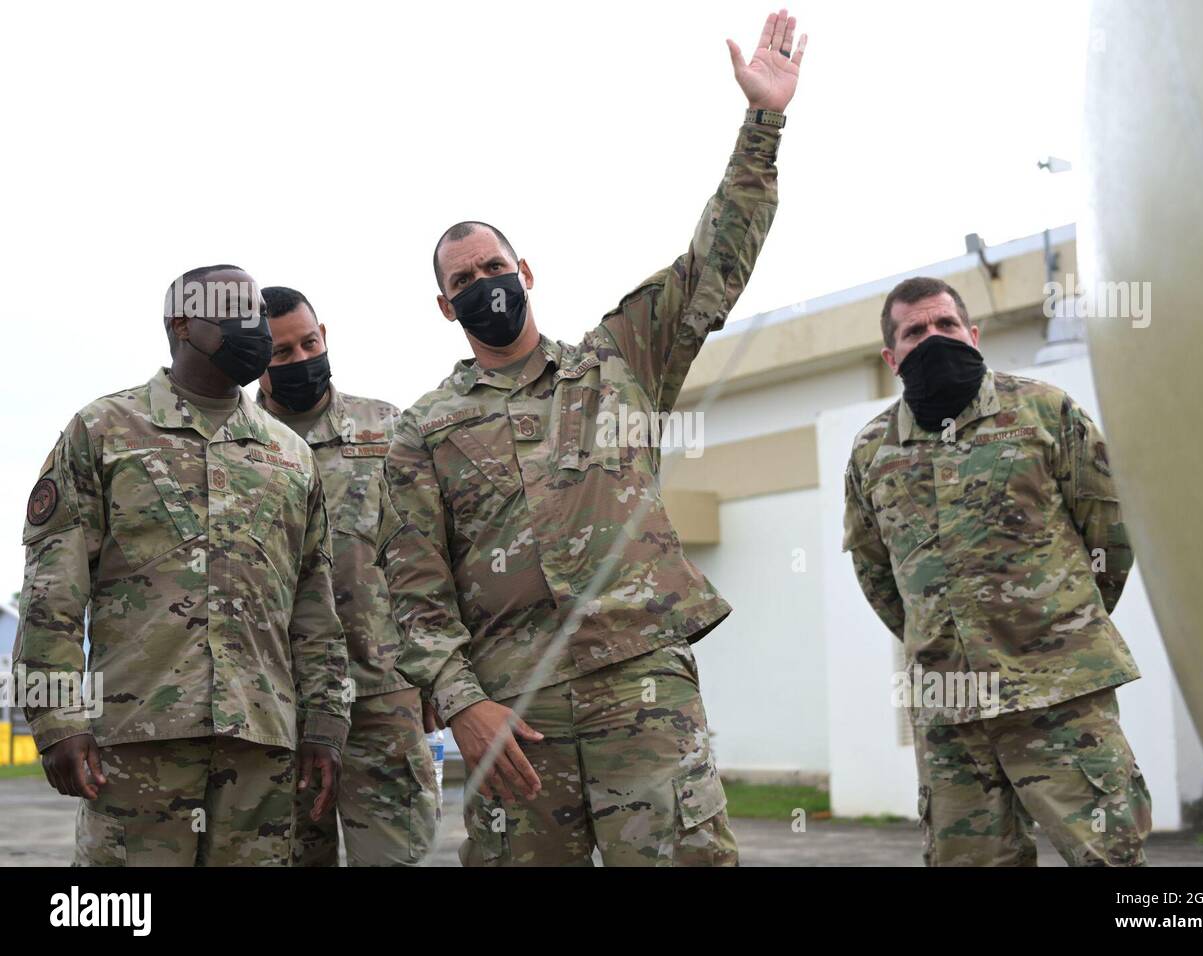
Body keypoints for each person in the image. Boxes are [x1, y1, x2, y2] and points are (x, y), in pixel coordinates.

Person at [382, 9, 807, 866]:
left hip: (642, 695)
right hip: (516, 719)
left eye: (496, 270)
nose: (485, 286)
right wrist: (463, 705)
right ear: (444, 306)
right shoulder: (422, 433)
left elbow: (714, 256)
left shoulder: (620, 362)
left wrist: (763, 122)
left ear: (526, 273)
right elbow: (414, 600)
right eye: (464, 281)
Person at [14, 265, 350, 866]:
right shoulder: (104, 431)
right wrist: (57, 721)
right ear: (182, 325)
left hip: (260, 746)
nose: (255, 328)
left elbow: (313, 605)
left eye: (256, 315)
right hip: (139, 740)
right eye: (235, 314)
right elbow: (52, 595)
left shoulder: (291, 455)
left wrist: (326, 724)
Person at [842, 275, 1153, 866]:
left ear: (973, 334)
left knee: (1110, 858)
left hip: (1058, 694)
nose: (934, 338)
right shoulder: (871, 450)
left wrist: (1062, 629)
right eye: (915, 331)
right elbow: (875, 570)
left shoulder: (1045, 411)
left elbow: (1108, 534)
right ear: (892, 356)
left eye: (946, 325)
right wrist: (940, 638)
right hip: (950, 709)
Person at [256, 285, 439, 866]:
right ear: (255, 362)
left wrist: (437, 671)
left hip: (383, 696)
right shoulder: (238, 447)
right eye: (281, 353)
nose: (301, 360)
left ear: (324, 335)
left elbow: (432, 556)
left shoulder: (387, 429)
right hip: (281, 705)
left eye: (309, 343)